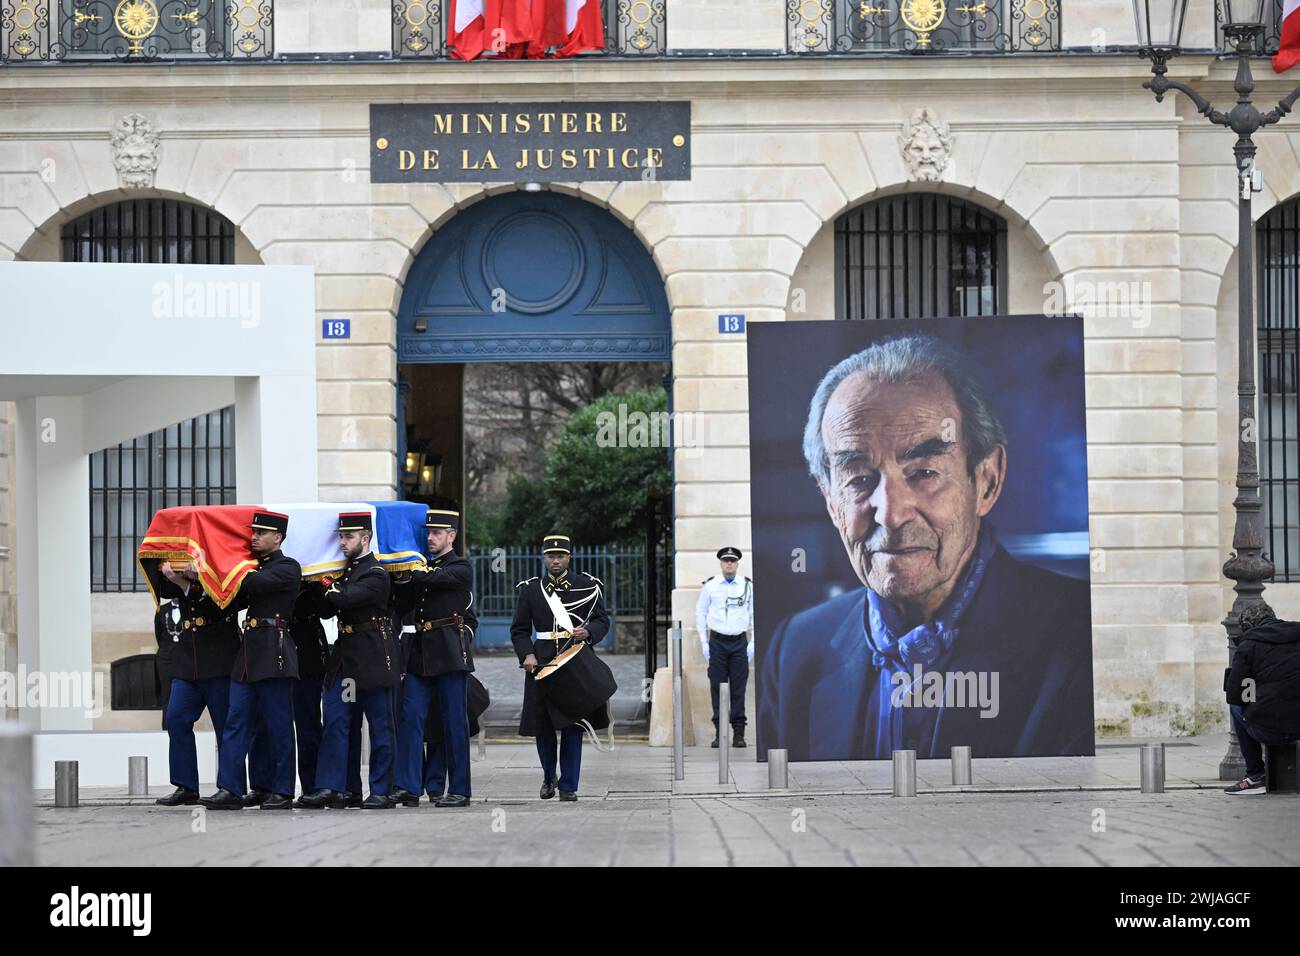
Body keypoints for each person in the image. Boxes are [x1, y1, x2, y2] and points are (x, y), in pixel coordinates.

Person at [759, 333, 1093, 761]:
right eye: (859, 478)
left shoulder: (1077, 641)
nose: (891, 513)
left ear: (987, 481)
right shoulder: (795, 651)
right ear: (830, 499)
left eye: (924, 471)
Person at [298, 512, 400, 810]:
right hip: (346, 663)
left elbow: (345, 599)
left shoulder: (376, 574)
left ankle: (381, 790)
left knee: (380, 726)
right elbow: (326, 610)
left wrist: (326, 581)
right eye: (341, 536)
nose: (342, 542)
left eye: (349, 537)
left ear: (365, 539)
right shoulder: (342, 573)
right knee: (339, 722)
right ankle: (338, 787)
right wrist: (314, 582)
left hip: (374, 658)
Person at [202, 511, 302, 810]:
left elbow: (251, 585)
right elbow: (229, 600)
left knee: (278, 725)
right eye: (253, 532)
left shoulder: (287, 568)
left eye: (261, 533)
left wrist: (213, 568)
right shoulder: (251, 568)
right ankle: (232, 788)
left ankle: (282, 790)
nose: (254, 537)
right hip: (247, 654)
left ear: (278, 537)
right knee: (238, 723)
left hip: (274, 652)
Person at [389, 508, 478, 808]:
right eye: (428, 533)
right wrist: (400, 579)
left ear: (451, 536)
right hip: (419, 652)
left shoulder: (460, 567)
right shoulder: (420, 569)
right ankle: (408, 785)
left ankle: (460, 789)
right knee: (410, 717)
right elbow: (402, 605)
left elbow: (441, 579)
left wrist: (414, 573)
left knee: (454, 722)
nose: (429, 538)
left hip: (449, 651)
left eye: (436, 533)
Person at [511, 533, 609, 802]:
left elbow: (602, 620)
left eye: (561, 556)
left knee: (572, 725)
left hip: (574, 661)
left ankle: (568, 785)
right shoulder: (531, 589)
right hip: (541, 662)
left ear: (569, 557)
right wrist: (526, 655)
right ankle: (547, 776)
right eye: (551, 556)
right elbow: (519, 630)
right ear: (544, 558)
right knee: (543, 725)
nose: (556, 561)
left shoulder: (587, 586)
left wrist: (588, 631)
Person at [154, 559, 240, 807]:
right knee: (176, 718)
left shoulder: (225, 568)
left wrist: (192, 579)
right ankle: (185, 785)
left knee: (226, 728)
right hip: (188, 663)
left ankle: (231, 788)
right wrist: (173, 574)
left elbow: (219, 606)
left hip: (219, 662)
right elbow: (165, 590)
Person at [1224, 602, 1300, 794]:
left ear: (1247, 626)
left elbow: (1236, 694)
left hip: (1268, 728)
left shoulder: (1249, 644)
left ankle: (1255, 776)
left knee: (1235, 707)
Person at [696, 546, 754, 748]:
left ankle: (739, 734)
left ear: (737, 563)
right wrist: (704, 643)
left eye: (733, 560)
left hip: (739, 642)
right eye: (726, 560)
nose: (729, 563)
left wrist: (752, 644)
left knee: (738, 689)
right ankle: (720, 733)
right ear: (721, 563)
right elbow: (701, 613)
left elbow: (755, 614)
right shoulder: (711, 586)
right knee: (717, 688)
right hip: (717, 642)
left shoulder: (747, 585)